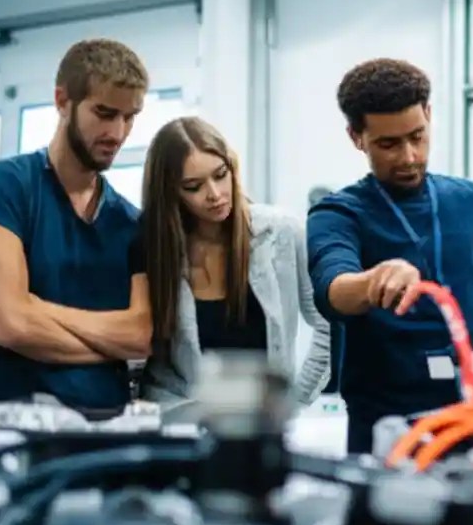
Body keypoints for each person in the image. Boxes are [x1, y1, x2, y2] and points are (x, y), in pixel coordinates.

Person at [307, 58, 473, 453]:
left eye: (417, 136)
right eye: (388, 144)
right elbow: (332, 289)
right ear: (356, 136)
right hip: (388, 433)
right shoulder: (338, 214)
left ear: (428, 115)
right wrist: (372, 282)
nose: (409, 156)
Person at [0, 38, 152, 419]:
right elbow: (10, 324)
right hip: (11, 422)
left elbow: (142, 336)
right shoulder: (6, 186)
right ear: (62, 101)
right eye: (105, 112)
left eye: (130, 117)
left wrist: (34, 308)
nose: (118, 132)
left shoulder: (131, 224)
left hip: (105, 422)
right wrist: (110, 347)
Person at [138, 116, 331, 412]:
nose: (215, 194)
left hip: (266, 422)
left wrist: (297, 399)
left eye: (220, 174)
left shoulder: (282, 232)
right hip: (183, 424)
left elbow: (328, 323)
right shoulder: (155, 252)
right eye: (193, 186)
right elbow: (144, 360)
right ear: (171, 191)